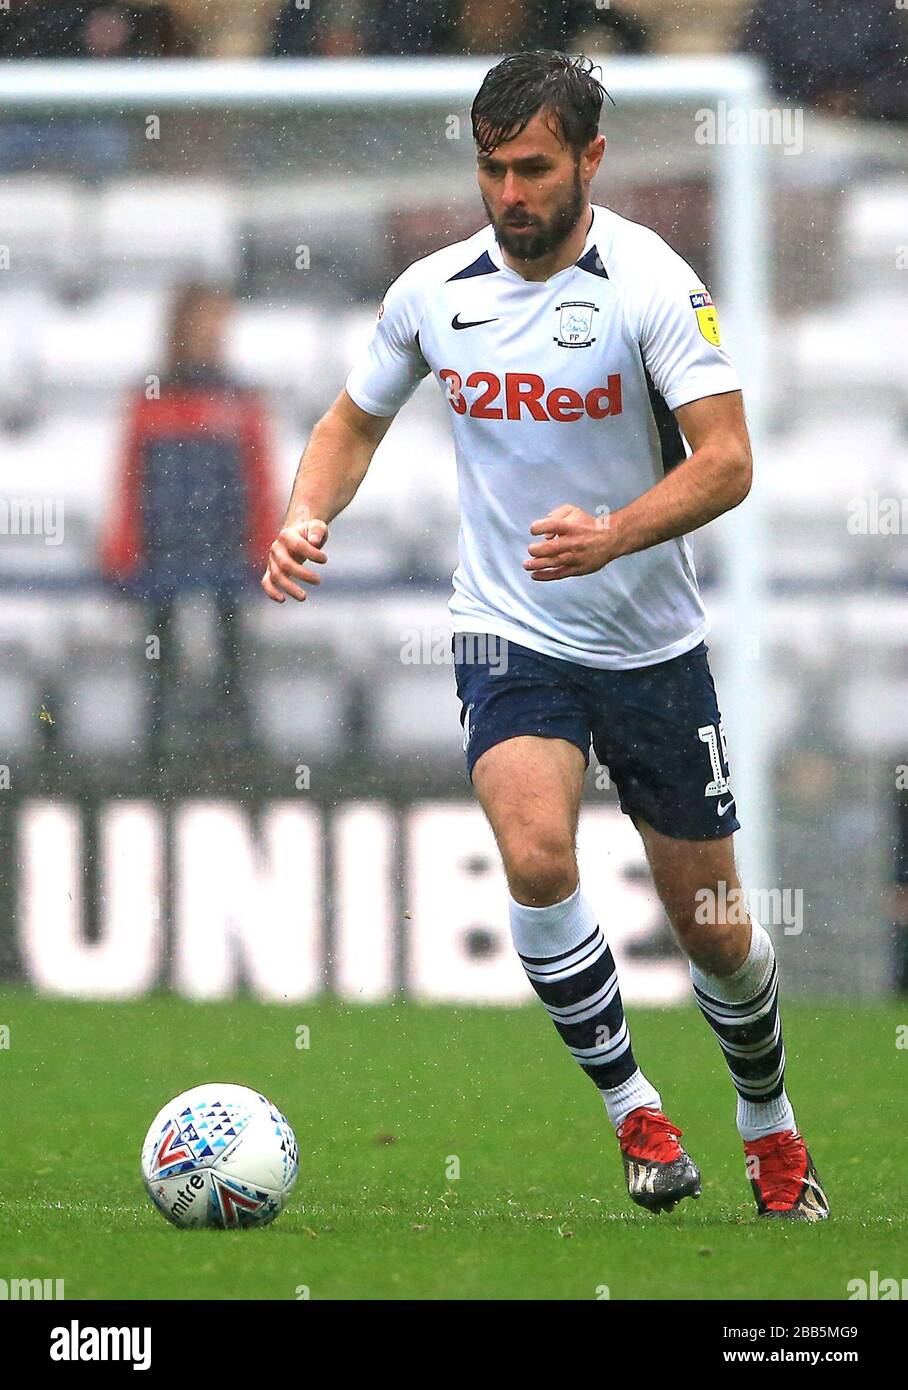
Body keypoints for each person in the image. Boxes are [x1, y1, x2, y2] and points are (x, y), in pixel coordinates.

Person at [262, 52, 829, 1221]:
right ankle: (637, 1117)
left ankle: (768, 1127)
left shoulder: (651, 285)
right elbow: (347, 422)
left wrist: (613, 533)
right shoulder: (433, 291)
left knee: (714, 931)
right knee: (532, 854)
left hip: (651, 643)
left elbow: (726, 461)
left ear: (590, 160)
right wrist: (306, 512)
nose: (508, 194)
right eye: (490, 169)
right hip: (508, 627)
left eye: (530, 168)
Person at [103, 283, 278, 761]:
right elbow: (131, 478)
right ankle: (157, 755)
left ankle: (237, 751)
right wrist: (124, 549)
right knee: (160, 653)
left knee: (232, 650)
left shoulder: (240, 398)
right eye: (206, 323)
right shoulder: (151, 397)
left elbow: (259, 477)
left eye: (220, 323)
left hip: (226, 551)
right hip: (164, 552)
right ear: (181, 328)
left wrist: (265, 546)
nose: (216, 334)